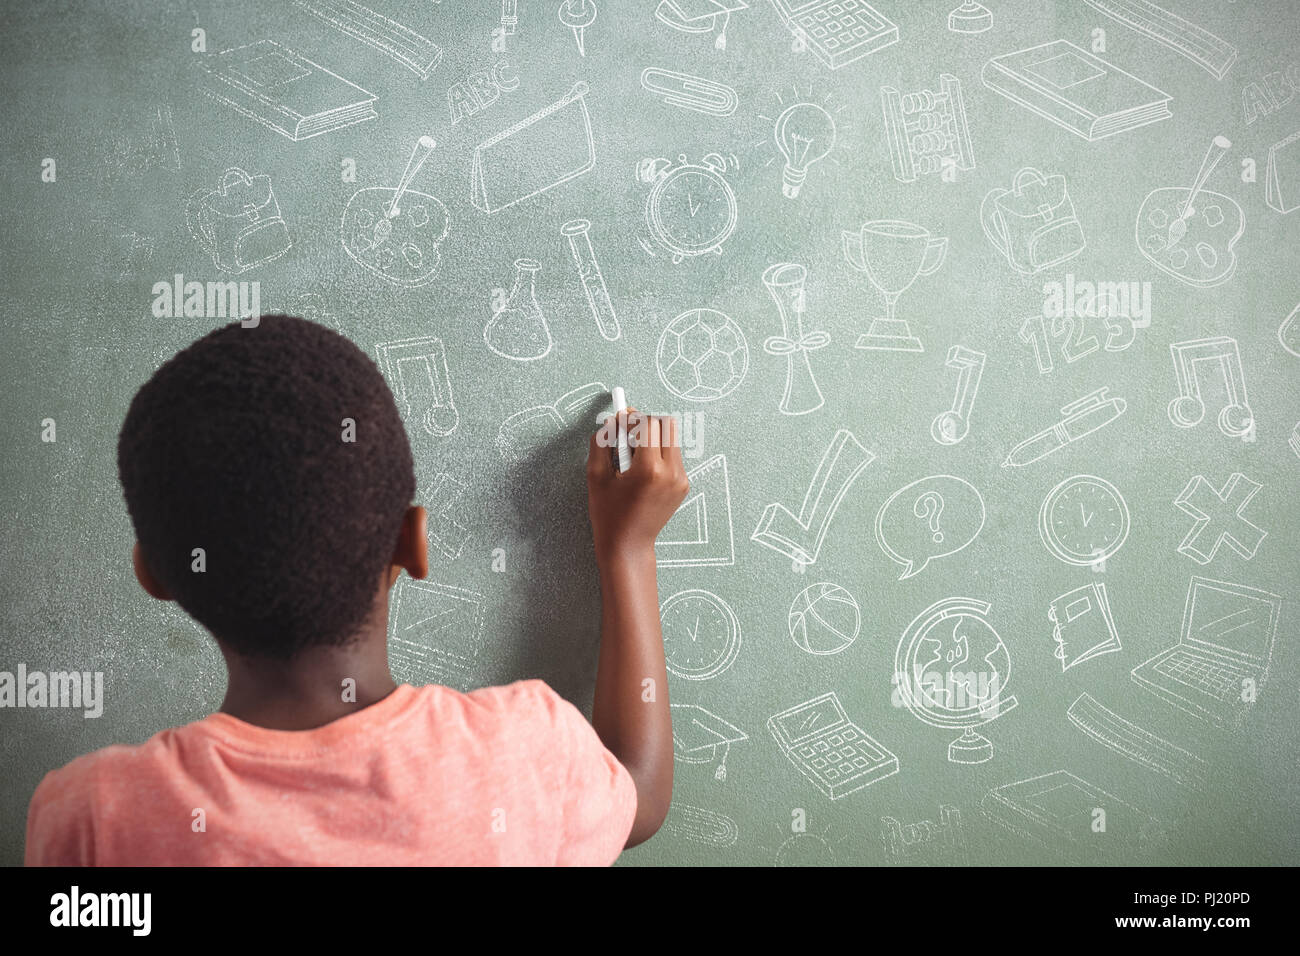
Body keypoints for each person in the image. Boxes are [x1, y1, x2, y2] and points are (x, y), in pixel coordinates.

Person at [25, 315, 688, 866]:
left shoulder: (93, 820)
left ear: (154, 575)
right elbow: (638, 790)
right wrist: (628, 549)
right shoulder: (531, 756)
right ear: (412, 544)